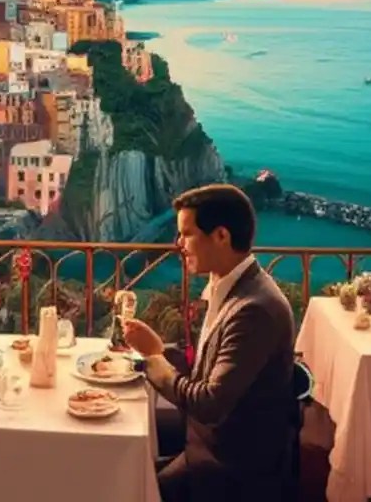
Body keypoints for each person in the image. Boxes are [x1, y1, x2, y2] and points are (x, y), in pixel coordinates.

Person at [122, 183, 296, 501]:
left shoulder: (253, 309)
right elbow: (208, 364)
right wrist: (157, 349)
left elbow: (210, 403)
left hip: (230, 471)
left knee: (124, 487)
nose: (178, 244)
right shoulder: (233, 286)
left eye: (187, 234)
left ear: (221, 236)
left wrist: (155, 361)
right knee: (126, 474)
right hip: (208, 450)